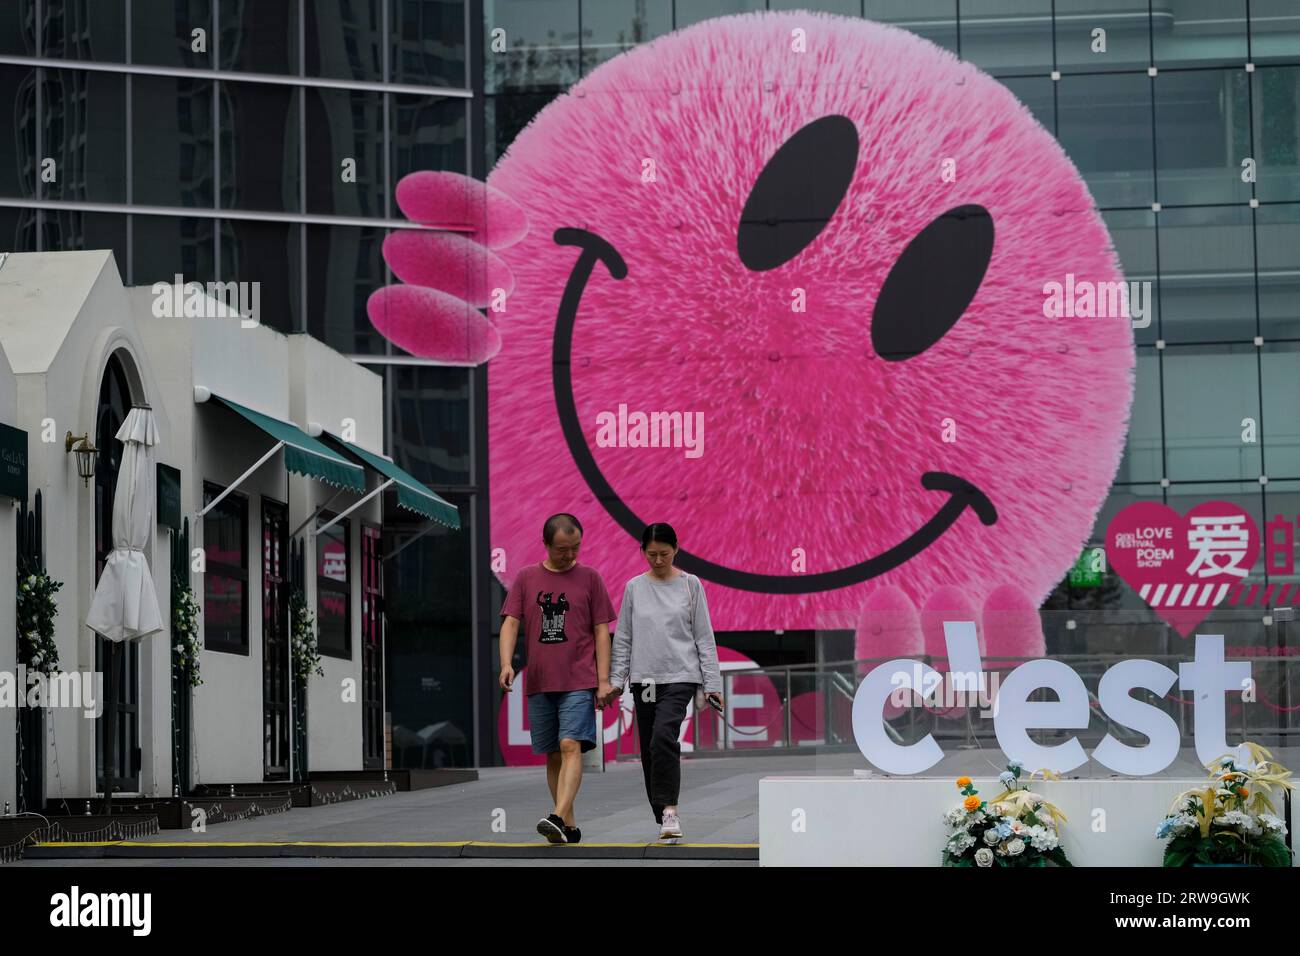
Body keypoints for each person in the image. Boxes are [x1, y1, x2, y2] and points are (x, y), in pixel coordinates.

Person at [499, 513, 616, 844]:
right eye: (563, 549)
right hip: (539, 679)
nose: (570, 555)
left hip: (579, 678)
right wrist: (506, 663)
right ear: (546, 544)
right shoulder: (526, 578)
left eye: (576, 547)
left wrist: (603, 680)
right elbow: (510, 623)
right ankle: (569, 823)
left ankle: (556, 815)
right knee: (552, 752)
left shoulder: (590, 578)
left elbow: (601, 630)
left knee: (570, 744)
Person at [607, 522, 722, 842]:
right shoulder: (634, 587)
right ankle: (661, 812)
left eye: (665, 554)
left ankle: (670, 809)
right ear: (642, 551)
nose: (658, 561)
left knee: (662, 738)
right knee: (648, 749)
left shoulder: (690, 584)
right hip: (644, 679)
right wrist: (616, 681)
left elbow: (704, 636)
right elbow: (624, 637)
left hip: (681, 676)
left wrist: (712, 684)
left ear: (676, 550)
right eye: (652, 554)